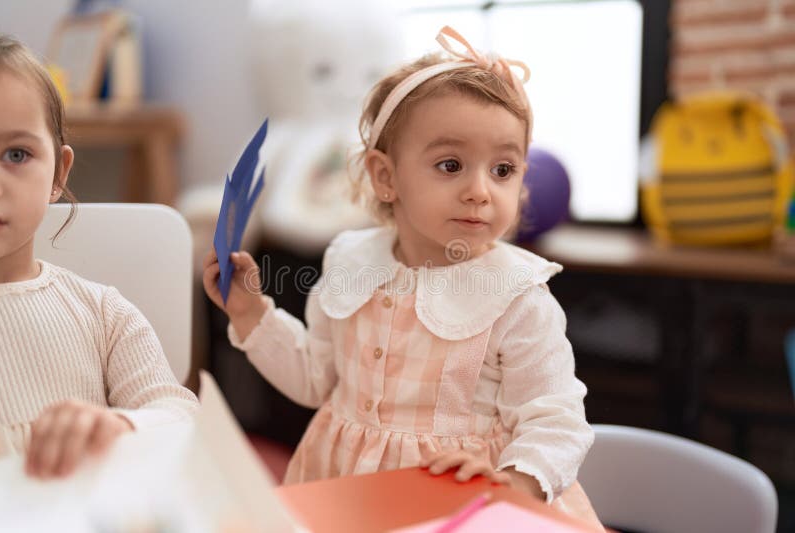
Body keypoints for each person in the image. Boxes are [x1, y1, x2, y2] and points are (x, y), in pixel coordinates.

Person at [205, 25, 596, 518]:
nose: (480, 190)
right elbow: (314, 378)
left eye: (503, 170)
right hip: (348, 490)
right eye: (451, 165)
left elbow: (556, 417)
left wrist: (516, 481)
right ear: (385, 176)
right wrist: (251, 314)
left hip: (468, 499)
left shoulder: (515, 295)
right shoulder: (351, 260)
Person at [0, 34, 198, 478]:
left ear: (58, 173)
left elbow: (182, 418)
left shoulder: (103, 313)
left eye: (16, 154)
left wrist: (120, 426)